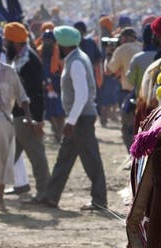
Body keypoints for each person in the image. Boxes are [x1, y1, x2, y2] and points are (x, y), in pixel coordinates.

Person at [34, 25, 107, 212]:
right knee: (64, 159)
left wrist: (71, 121)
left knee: (91, 160)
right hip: (78, 117)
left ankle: (99, 201)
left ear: (63, 45)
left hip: (80, 118)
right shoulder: (76, 58)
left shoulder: (75, 62)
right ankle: (50, 197)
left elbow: (82, 95)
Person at [3, 21, 50, 201]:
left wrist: (36, 119)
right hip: (17, 116)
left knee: (36, 156)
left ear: (15, 42)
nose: (6, 45)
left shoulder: (29, 60)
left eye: (7, 42)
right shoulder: (20, 58)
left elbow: (35, 94)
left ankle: (45, 193)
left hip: (26, 117)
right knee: (6, 156)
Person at [0, 33, 33, 214]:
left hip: (5, 122)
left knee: (3, 163)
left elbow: (22, 96)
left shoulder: (9, 72)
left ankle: (0, 200)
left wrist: (28, 116)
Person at [104, 26, 141, 151]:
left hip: (128, 93)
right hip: (145, 93)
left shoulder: (122, 49)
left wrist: (109, 53)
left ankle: (132, 155)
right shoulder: (142, 46)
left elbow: (109, 70)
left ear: (124, 38)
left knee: (127, 128)